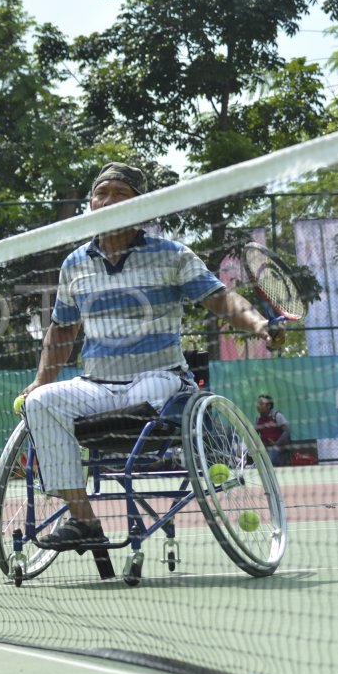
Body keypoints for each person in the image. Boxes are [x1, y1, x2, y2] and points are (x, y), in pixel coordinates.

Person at [19, 162, 285, 551]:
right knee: (40, 403)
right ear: (90, 204)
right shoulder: (74, 264)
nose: (108, 200)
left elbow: (220, 298)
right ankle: (84, 520)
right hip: (97, 386)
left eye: (120, 194)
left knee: (151, 395)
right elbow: (62, 330)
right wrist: (41, 381)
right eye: (101, 193)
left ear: (140, 205)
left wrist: (260, 324)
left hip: (159, 378)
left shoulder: (171, 255)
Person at [255, 395, 291, 467]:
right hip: (265, 448)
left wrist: (276, 443)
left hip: (279, 448)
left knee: (270, 457)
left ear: (268, 406)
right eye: (258, 403)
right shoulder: (257, 420)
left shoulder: (277, 416)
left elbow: (287, 432)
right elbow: (254, 435)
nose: (258, 406)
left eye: (261, 404)